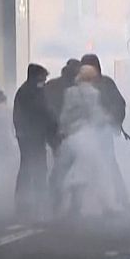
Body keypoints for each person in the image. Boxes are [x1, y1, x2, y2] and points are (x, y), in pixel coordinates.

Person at [80, 54, 130, 212]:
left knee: (109, 165)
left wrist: (113, 120)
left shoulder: (105, 83)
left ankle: (121, 199)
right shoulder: (85, 85)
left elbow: (119, 104)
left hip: (101, 131)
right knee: (94, 166)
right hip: (87, 132)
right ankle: (99, 202)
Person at [58, 65, 115, 216]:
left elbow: (64, 114)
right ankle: (108, 206)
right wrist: (107, 118)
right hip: (86, 134)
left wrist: (62, 130)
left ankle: (72, 204)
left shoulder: (69, 92)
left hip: (71, 135)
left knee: (78, 167)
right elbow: (95, 115)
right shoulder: (93, 93)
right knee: (98, 169)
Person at [13, 64, 57, 218]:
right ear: (35, 77)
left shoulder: (26, 91)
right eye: (42, 78)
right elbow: (43, 112)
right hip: (32, 136)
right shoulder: (31, 92)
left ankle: (25, 202)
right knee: (36, 168)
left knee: (28, 168)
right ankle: (36, 201)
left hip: (29, 135)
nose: (44, 81)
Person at [45, 59, 82, 213]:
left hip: (55, 133)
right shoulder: (76, 90)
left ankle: (56, 201)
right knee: (74, 170)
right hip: (71, 133)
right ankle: (74, 204)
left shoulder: (51, 86)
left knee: (59, 169)